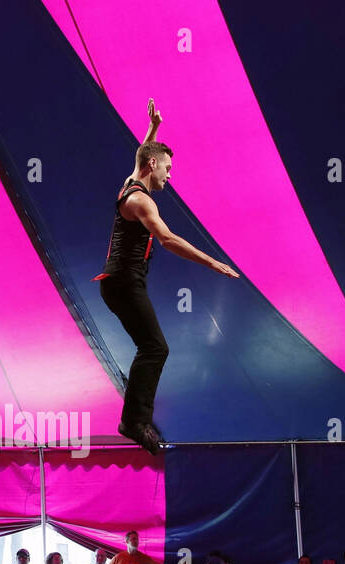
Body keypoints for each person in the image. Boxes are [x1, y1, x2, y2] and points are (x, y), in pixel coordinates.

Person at [94, 98, 239, 453]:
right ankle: (134, 422)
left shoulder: (133, 178)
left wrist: (154, 127)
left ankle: (135, 417)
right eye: (168, 168)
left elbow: (142, 154)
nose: (170, 175)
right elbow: (168, 239)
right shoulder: (141, 201)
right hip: (123, 282)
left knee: (152, 347)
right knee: (155, 347)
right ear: (154, 165)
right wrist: (212, 262)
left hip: (122, 283)